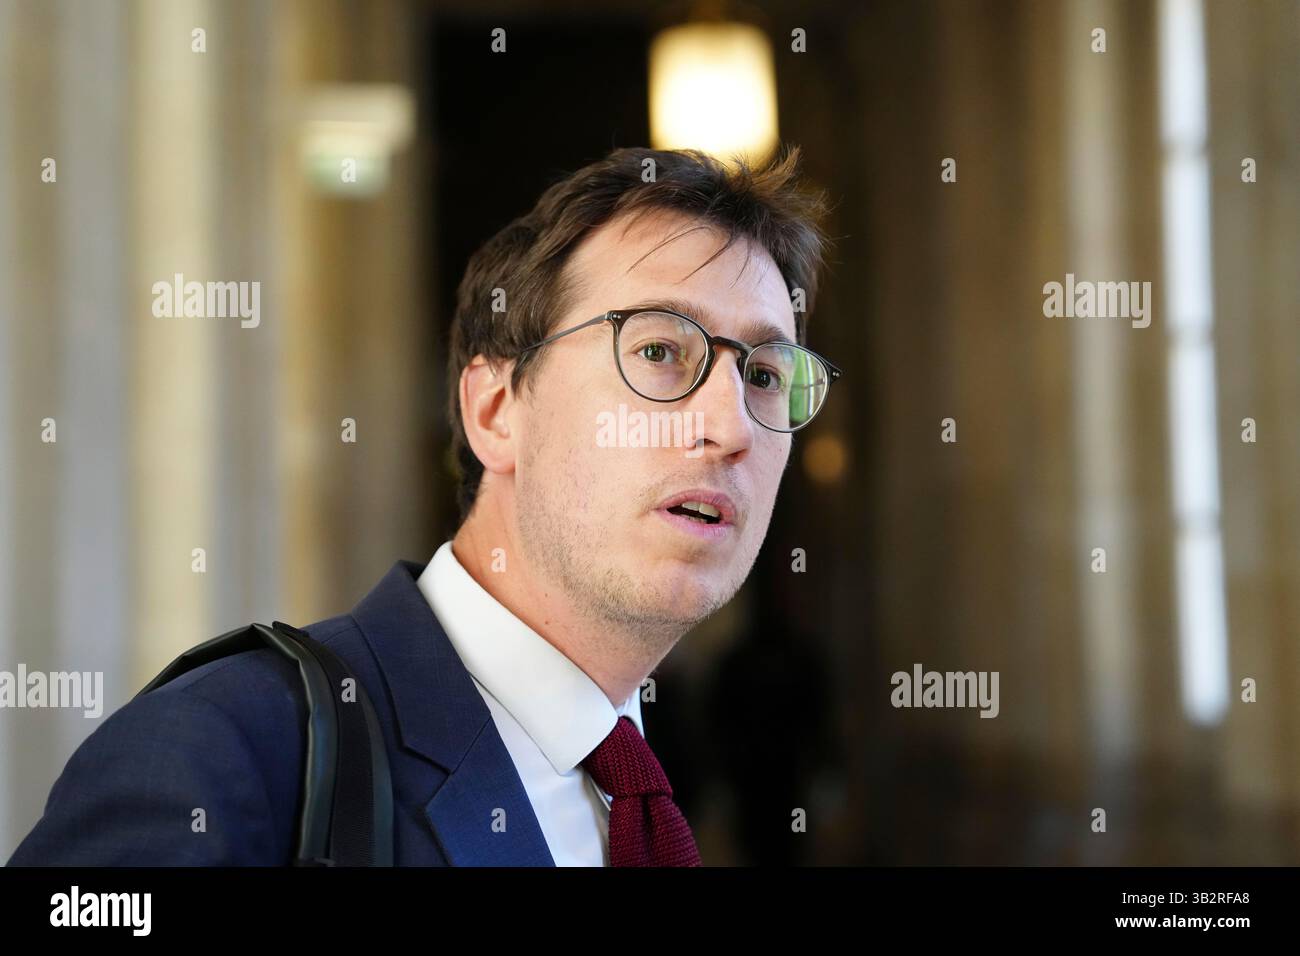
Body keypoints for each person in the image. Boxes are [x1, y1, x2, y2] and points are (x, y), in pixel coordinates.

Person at [7, 145, 840, 866]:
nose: (731, 425)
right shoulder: (222, 753)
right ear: (495, 412)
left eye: (763, 374)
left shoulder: (639, 788)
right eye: (660, 349)